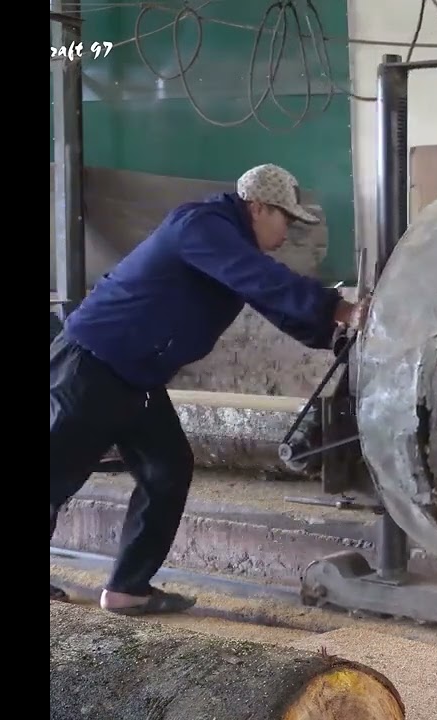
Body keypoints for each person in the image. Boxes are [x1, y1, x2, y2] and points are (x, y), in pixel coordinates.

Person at [50, 163, 368, 615]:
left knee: (168, 470)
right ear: (258, 207)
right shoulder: (200, 225)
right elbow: (261, 280)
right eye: (286, 220)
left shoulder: (228, 246)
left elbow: (266, 297)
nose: (288, 233)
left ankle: (128, 588)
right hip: (93, 363)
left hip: (137, 375)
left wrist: (329, 335)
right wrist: (341, 309)